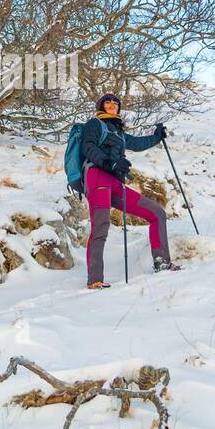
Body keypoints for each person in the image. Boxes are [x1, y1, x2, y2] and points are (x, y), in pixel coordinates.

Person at [80, 93, 181, 289]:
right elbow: (88, 147)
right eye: (107, 102)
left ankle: (162, 262)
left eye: (115, 102)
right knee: (101, 227)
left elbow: (137, 143)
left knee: (157, 213)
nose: (111, 104)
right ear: (101, 106)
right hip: (98, 177)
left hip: (115, 182)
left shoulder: (118, 132)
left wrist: (157, 136)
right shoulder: (94, 124)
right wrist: (110, 162)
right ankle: (94, 280)